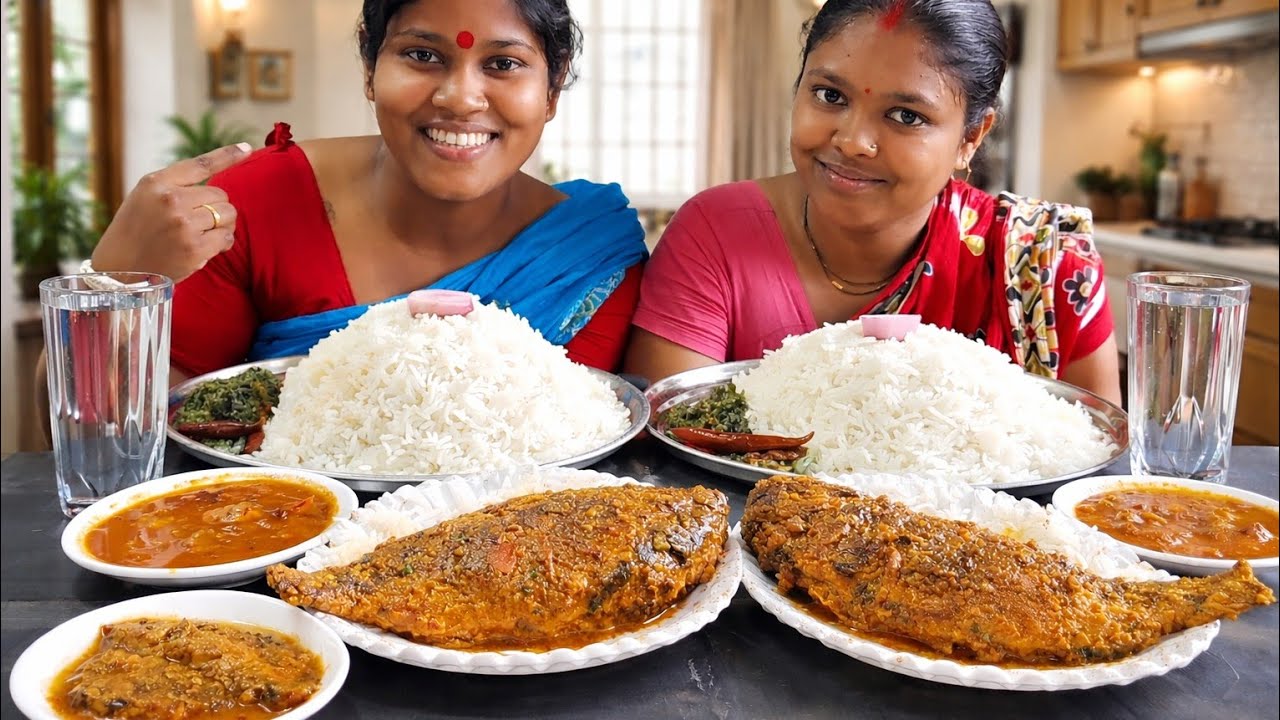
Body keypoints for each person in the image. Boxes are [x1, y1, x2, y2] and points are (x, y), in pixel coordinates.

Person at [88, 0, 646, 381]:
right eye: (422, 55)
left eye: (503, 64)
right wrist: (111, 287)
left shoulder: (586, 260)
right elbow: (119, 443)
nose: (459, 97)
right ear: (369, 68)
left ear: (551, 89)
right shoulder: (249, 207)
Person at [625, 0, 1121, 406]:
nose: (853, 141)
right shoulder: (716, 232)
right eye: (829, 96)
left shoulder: (1042, 266)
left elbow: (1097, 483)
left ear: (972, 136)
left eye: (906, 115)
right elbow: (670, 458)